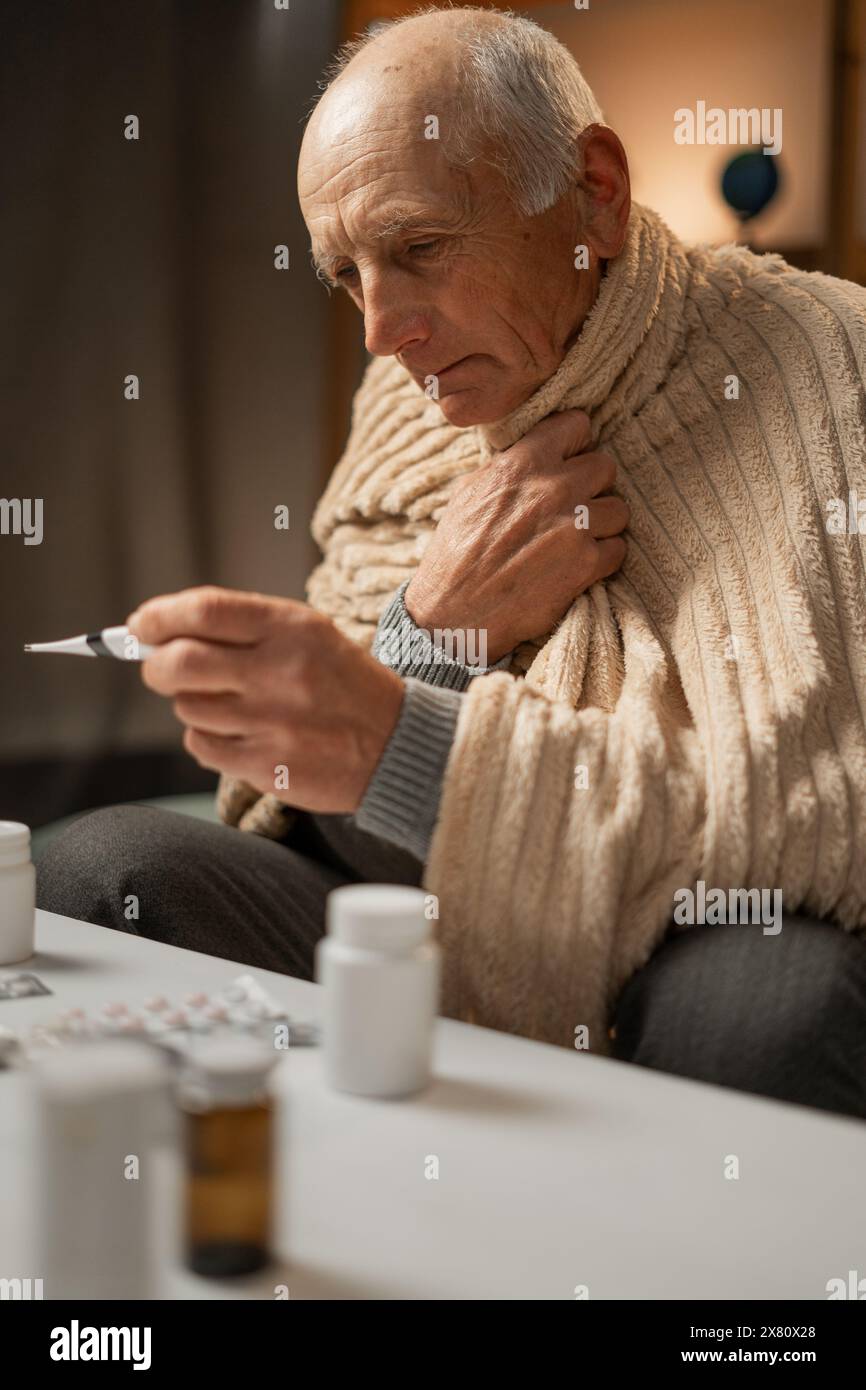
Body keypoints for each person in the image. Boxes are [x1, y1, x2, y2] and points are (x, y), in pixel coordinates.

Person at [37, 6, 866, 1119]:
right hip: (412, 880)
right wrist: (430, 630)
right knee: (105, 869)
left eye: (419, 249)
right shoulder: (410, 390)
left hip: (688, 911)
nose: (381, 330)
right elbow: (299, 798)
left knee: (768, 1003)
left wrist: (407, 742)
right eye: (345, 273)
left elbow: (818, 818)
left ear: (596, 197)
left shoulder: (829, 365)